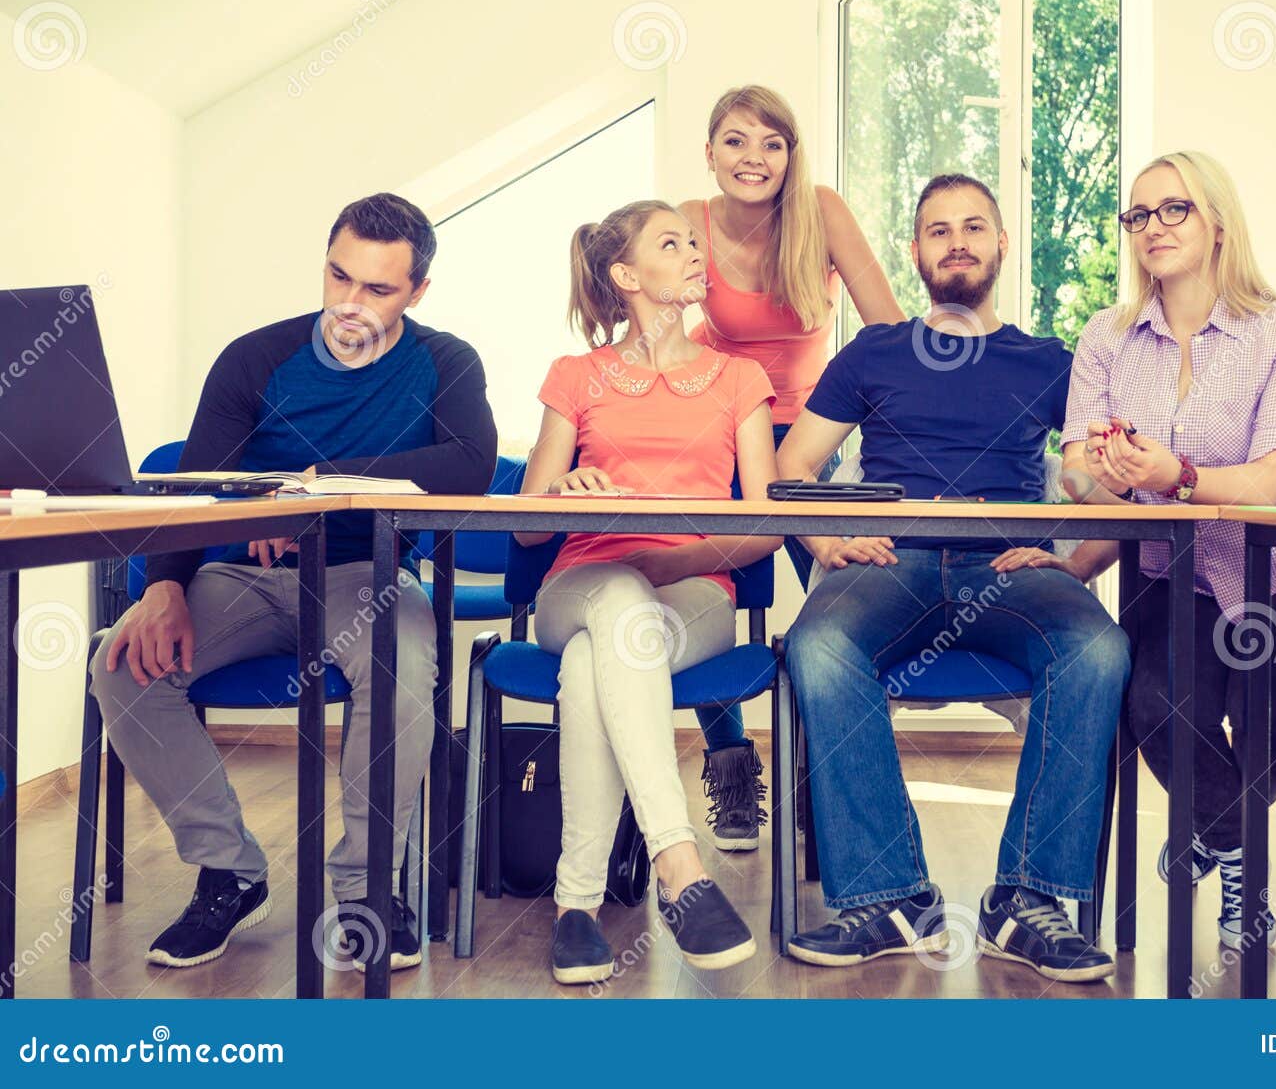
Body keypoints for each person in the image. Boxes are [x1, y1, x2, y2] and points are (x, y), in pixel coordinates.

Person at [92, 192, 497, 973]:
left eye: (378, 289)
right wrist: (165, 585)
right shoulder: (255, 357)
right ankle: (230, 871)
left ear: (418, 292)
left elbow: (469, 465)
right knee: (119, 665)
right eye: (339, 276)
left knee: (404, 665)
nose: (351, 303)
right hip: (247, 576)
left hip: (366, 576)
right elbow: (199, 483)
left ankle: (367, 887)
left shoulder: (447, 363)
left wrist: (313, 483)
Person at [775, 173, 1128, 983]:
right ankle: (892, 898)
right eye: (939, 230)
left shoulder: (1050, 363)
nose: (957, 242)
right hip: (889, 562)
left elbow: (1099, 487)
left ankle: (1026, 899)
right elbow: (792, 467)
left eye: (973, 227)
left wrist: (1074, 560)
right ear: (915, 252)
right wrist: (829, 537)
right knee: (817, 644)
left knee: (1099, 648)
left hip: (1009, 568)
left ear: (1001, 244)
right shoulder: (874, 352)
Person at [1060, 151, 1276, 950]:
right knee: (1157, 707)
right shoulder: (1106, 337)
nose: (1153, 226)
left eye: (1176, 209)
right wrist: (1102, 483)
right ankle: (1235, 850)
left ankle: (1209, 826)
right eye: (1139, 214)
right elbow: (1078, 473)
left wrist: (1178, 475)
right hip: (1179, 577)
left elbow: (1271, 479)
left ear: (1219, 224)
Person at [517, 199, 780, 985]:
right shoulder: (576, 376)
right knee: (617, 606)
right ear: (627, 275)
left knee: (594, 660)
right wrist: (561, 493)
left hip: (692, 594)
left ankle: (576, 905)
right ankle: (679, 865)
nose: (696, 252)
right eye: (673, 243)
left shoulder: (740, 378)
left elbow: (767, 527)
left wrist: (672, 564)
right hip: (577, 587)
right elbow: (525, 529)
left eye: (694, 241)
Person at [677, 85, 904, 855]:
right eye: (736, 141)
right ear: (710, 153)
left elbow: (889, 332)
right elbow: (650, 330)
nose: (754, 158)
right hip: (719, 429)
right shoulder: (688, 222)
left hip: (813, 431)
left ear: (791, 155)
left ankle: (821, 774)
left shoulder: (822, 212)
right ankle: (731, 763)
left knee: (843, 600)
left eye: (772, 143)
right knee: (705, 598)